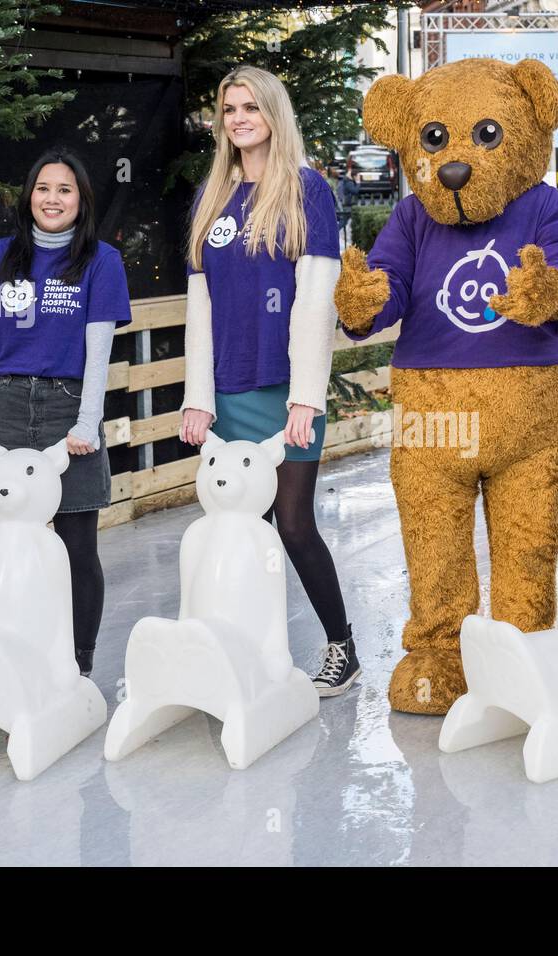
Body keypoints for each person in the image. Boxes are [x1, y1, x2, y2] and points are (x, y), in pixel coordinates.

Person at [178, 65, 358, 697]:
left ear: (273, 113)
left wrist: (306, 397)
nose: (239, 118)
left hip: (285, 392)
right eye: (229, 109)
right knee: (233, 528)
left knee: (293, 523)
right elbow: (199, 305)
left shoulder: (306, 189)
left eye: (250, 107)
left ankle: (342, 646)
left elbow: (315, 299)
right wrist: (197, 397)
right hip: (226, 394)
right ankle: (244, 653)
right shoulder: (212, 197)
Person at [0, 147, 132, 678]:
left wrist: (87, 422)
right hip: (5, 409)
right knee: (10, 542)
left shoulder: (102, 261)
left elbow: (99, 351)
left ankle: (78, 667)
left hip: (67, 408)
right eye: (42, 188)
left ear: (81, 200)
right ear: (27, 196)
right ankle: (13, 656)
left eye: (65, 190)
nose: (52, 199)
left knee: (78, 547)